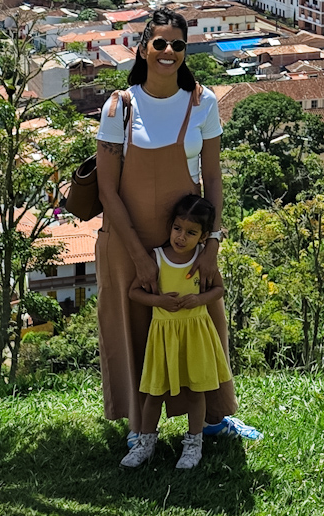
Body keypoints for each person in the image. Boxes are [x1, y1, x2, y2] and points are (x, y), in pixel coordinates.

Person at [93, 8, 261, 455]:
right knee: (133, 329)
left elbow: (213, 179)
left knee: (201, 327)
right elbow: (108, 190)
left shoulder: (203, 102)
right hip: (126, 241)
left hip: (188, 243)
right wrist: (139, 255)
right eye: (160, 43)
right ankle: (138, 427)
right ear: (143, 47)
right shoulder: (120, 106)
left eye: (178, 45)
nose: (168, 52)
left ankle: (211, 421)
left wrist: (212, 244)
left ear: (187, 52)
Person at [122, 194, 231, 470]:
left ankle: (194, 444)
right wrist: (158, 301)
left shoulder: (202, 261)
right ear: (170, 226)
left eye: (191, 232)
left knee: (196, 392)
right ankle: (145, 443)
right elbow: (134, 292)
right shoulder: (156, 258)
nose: (181, 237)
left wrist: (200, 300)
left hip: (196, 334)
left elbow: (218, 289)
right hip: (163, 336)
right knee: (154, 393)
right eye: (177, 229)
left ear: (204, 236)